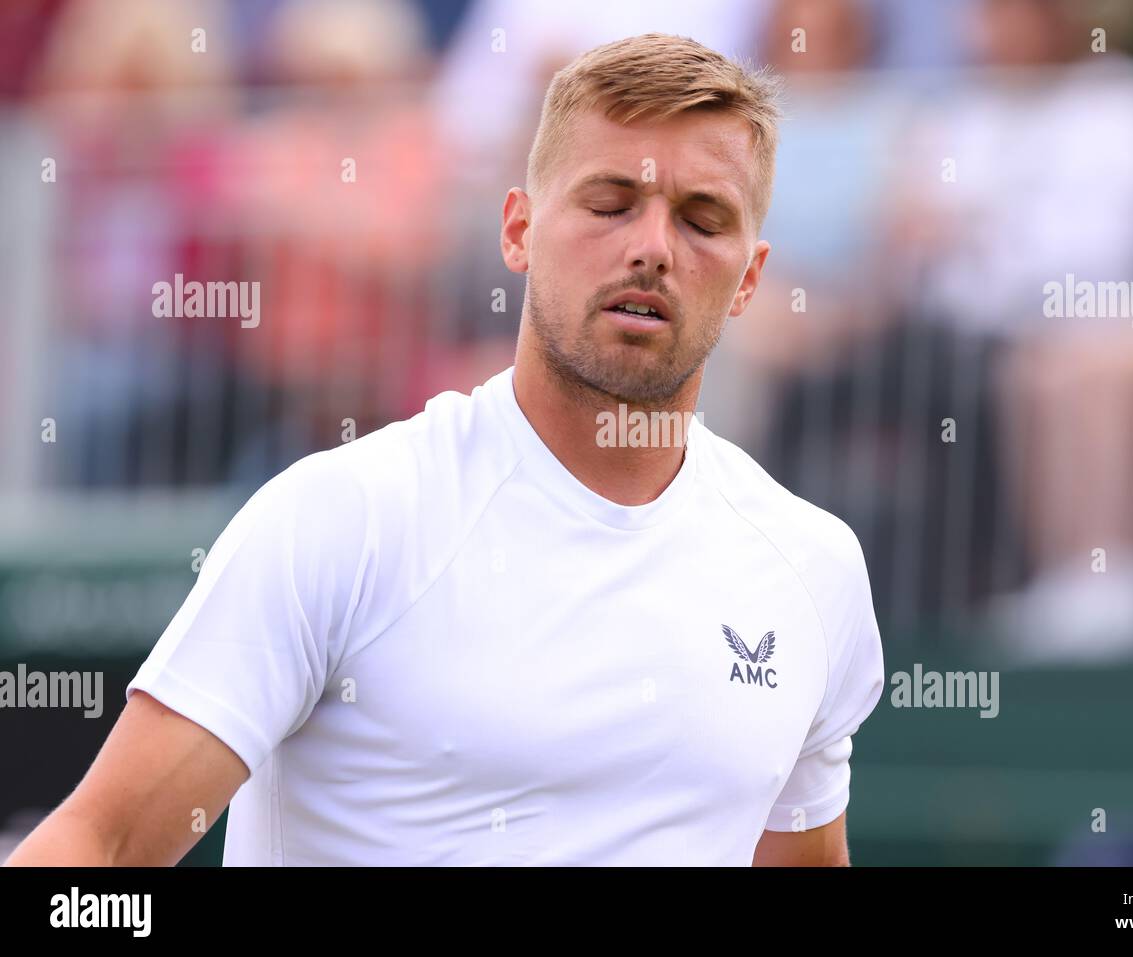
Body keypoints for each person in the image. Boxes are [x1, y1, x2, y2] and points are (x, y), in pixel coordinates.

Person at [6, 33, 885, 867]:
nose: (652, 248)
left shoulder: (813, 567)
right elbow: (100, 851)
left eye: (702, 220)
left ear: (752, 281)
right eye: (611, 203)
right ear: (517, 232)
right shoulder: (345, 516)